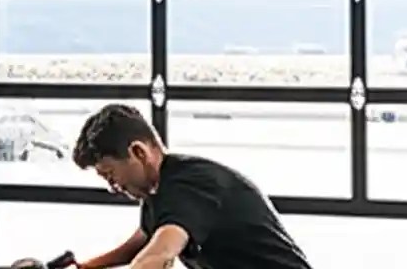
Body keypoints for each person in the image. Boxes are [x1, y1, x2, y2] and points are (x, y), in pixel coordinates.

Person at [70, 104, 313, 269]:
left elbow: (160, 254)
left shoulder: (188, 185)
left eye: (110, 175)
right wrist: (85, 266)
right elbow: (143, 243)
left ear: (139, 152)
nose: (113, 187)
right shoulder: (159, 192)